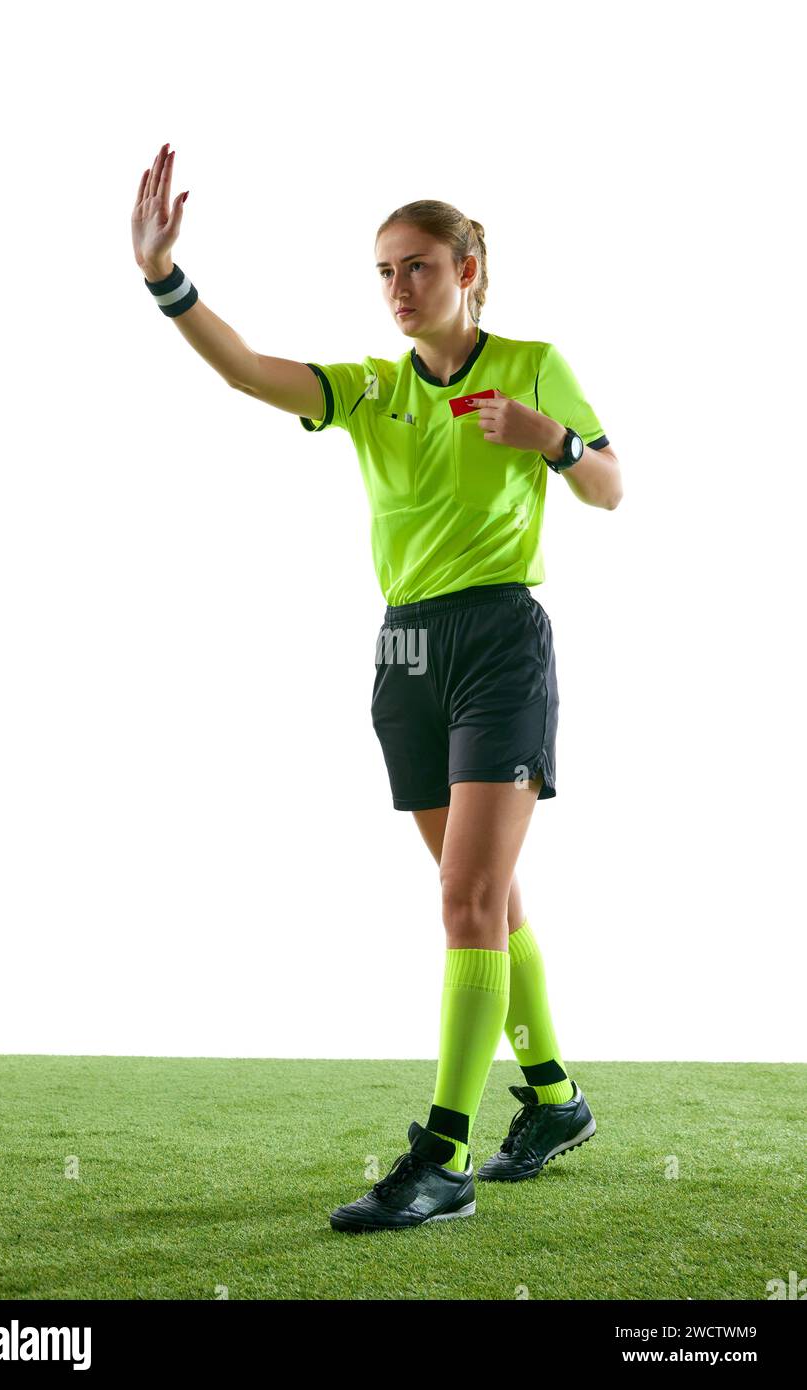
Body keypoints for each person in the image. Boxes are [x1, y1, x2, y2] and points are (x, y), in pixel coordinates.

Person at [131, 143, 624, 1237]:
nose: (399, 288)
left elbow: (610, 488)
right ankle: (555, 1099)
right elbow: (249, 369)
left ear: (470, 268)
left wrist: (552, 440)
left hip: (499, 637)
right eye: (384, 271)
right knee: (489, 899)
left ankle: (441, 1154)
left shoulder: (533, 363)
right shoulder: (373, 389)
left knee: (465, 904)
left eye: (418, 267)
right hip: (403, 654)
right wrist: (167, 281)